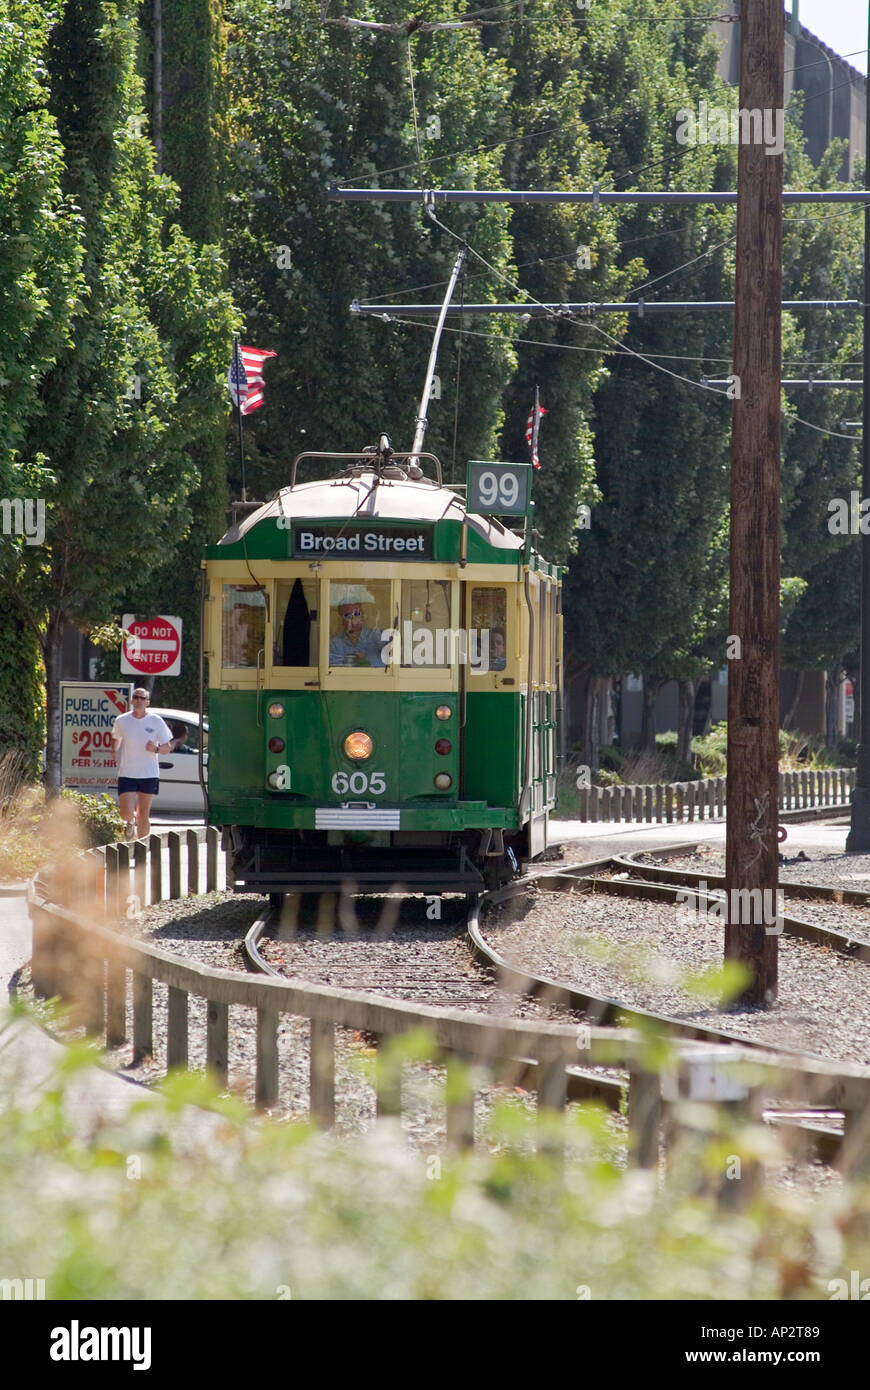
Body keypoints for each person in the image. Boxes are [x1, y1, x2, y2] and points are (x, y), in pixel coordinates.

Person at [111, 689, 174, 841]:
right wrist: (114, 750)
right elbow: (116, 738)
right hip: (127, 773)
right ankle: (130, 823)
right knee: (126, 812)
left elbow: (168, 747)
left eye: (142, 698)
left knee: (143, 813)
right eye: (135, 697)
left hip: (149, 774)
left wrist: (156, 749)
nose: (138, 700)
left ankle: (142, 847)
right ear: (131, 701)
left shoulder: (156, 721)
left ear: (147, 702)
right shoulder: (122, 720)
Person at [329, 589, 385, 667]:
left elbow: (392, 663)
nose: (353, 619)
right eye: (348, 616)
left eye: (357, 613)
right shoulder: (335, 644)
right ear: (341, 620)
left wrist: (367, 660)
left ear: (363, 616)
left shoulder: (377, 637)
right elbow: (332, 671)